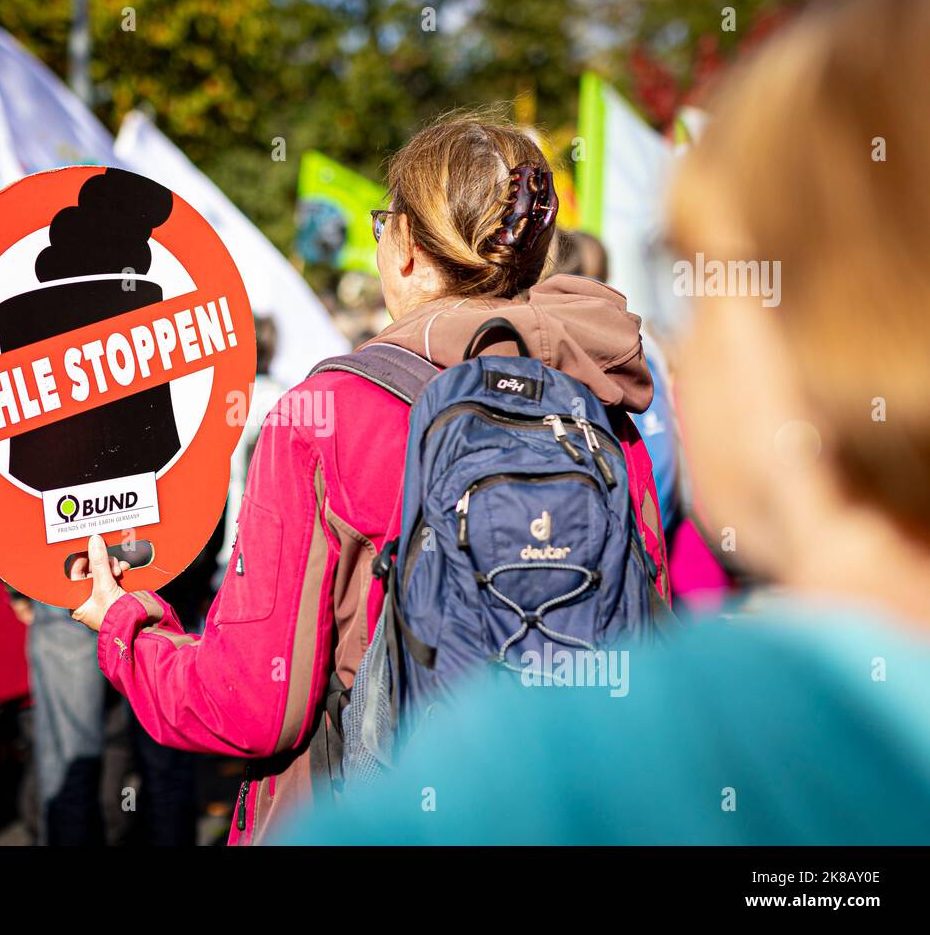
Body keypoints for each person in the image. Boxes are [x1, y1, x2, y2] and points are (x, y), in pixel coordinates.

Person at [283, 0, 930, 845]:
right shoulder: (596, 382)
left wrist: (128, 629)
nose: (674, 348)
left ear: (809, 347)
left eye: (696, 283)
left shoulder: (567, 770)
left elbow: (258, 700)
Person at [66, 110, 666, 844]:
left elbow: (252, 706)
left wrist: (127, 629)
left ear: (408, 248)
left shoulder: (329, 412)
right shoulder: (600, 401)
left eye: (385, 223)